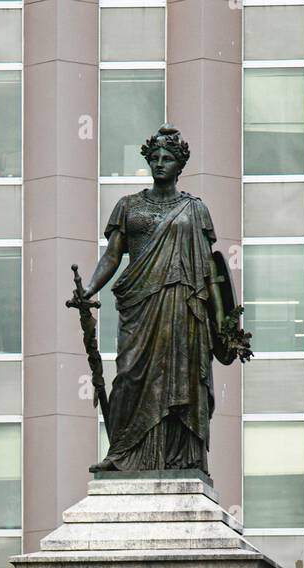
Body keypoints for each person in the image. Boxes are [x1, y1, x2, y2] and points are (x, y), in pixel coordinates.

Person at [69, 124, 241, 473]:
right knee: (129, 375)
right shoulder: (127, 206)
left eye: (168, 158)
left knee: (182, 378)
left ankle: (181, 456)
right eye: (155, 158)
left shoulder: (195, 210)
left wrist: (224, 326)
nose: (160, 163)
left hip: (183, 307)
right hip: (140, 306)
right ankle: (123, 452)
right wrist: (89, 288)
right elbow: (113, 255)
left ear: (180, 165)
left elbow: (211, 272)